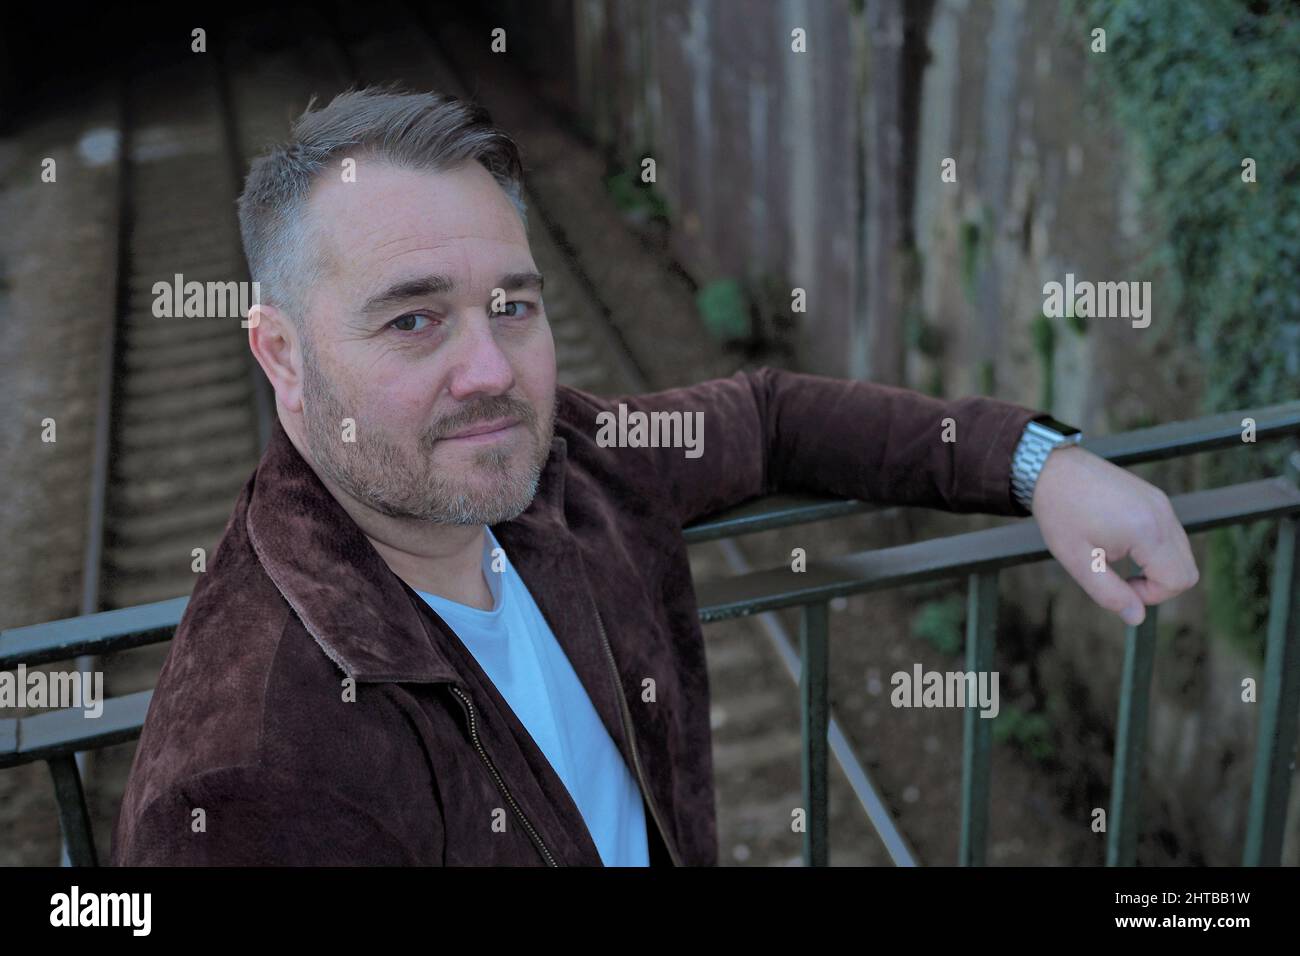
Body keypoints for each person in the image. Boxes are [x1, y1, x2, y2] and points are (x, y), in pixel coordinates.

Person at [110, 87, 1198, 867]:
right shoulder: (250, 767)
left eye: (513, 304)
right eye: (413, 317)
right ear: (282, 356)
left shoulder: (561, 465)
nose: (490, 371)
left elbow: (768, 419)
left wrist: (1039, 465)